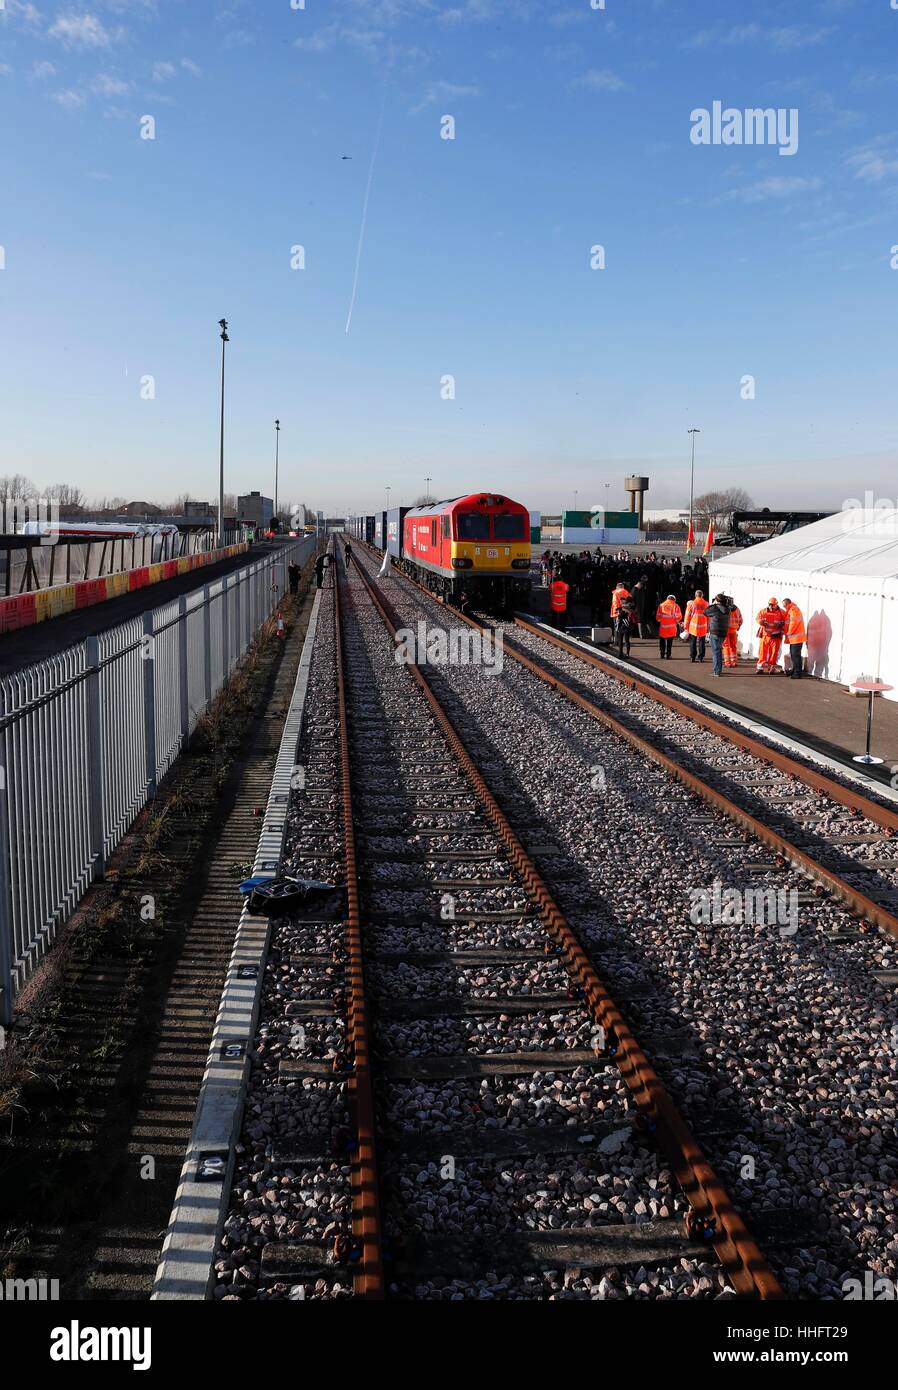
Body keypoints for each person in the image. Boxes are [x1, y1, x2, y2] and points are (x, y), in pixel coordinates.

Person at [756, 597, 786, 673]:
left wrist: (782, 624)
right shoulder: (763, 611)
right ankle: (760, 668)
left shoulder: (782, 612)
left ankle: (771, 668)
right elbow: (757, 618)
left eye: (772, 604)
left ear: (776, 604)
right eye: (769, 604)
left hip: (776, 636)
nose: (771, 606)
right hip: (765, 635)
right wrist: (761, 622)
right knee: (762, 652)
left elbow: (787, 621)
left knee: (774, 653)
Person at [705, 594, 731, 677]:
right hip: (723, 632)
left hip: (715, 632)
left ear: (717, 600)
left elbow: (705, 612)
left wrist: (714, 603)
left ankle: (717, 671)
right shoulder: (727, 608)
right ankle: (718, 669)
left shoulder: (715, 608)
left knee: (715, 652)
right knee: (718, 650)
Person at [781, 597, 806, 678]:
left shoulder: (794, 610)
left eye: (784, 605)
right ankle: (794, 670)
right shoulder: (791, 610)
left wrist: (789, 633)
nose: (784, 607)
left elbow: (793, 623)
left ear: (788, 603)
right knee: (793, 655)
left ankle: (797, 673)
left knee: (795, 655)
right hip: (794, 638)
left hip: (796, 638)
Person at [683, 590, 709, 663]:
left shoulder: (691, 604)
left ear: (695, 595)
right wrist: (708, 627)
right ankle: (701, 657)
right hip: (703, 626)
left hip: (693, 626)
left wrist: (685, 626)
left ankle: (692, 657)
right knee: (702, 642)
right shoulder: (706, 604)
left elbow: (687, 616)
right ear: (702, 595)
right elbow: (709, 617)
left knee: (693, 642)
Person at [655, 594, 682, 659]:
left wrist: (660, 620)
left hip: (663, 627)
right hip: (671, 627)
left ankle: (662, 654)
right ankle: (668, 655)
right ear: (674, 599)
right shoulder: (676, 606)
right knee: (669, 642)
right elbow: (678, 616)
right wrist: (676, 622)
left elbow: (658, 617)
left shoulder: (661, 605)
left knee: (662, 641)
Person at [723, 596, 743, 668]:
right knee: (733, 646)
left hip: (725, 630)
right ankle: (734, 661)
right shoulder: (737, 609)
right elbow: (741, 620)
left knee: (726, 646)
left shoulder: (724, 609)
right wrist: (738, 627)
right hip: (734, 630)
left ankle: (727, 662)